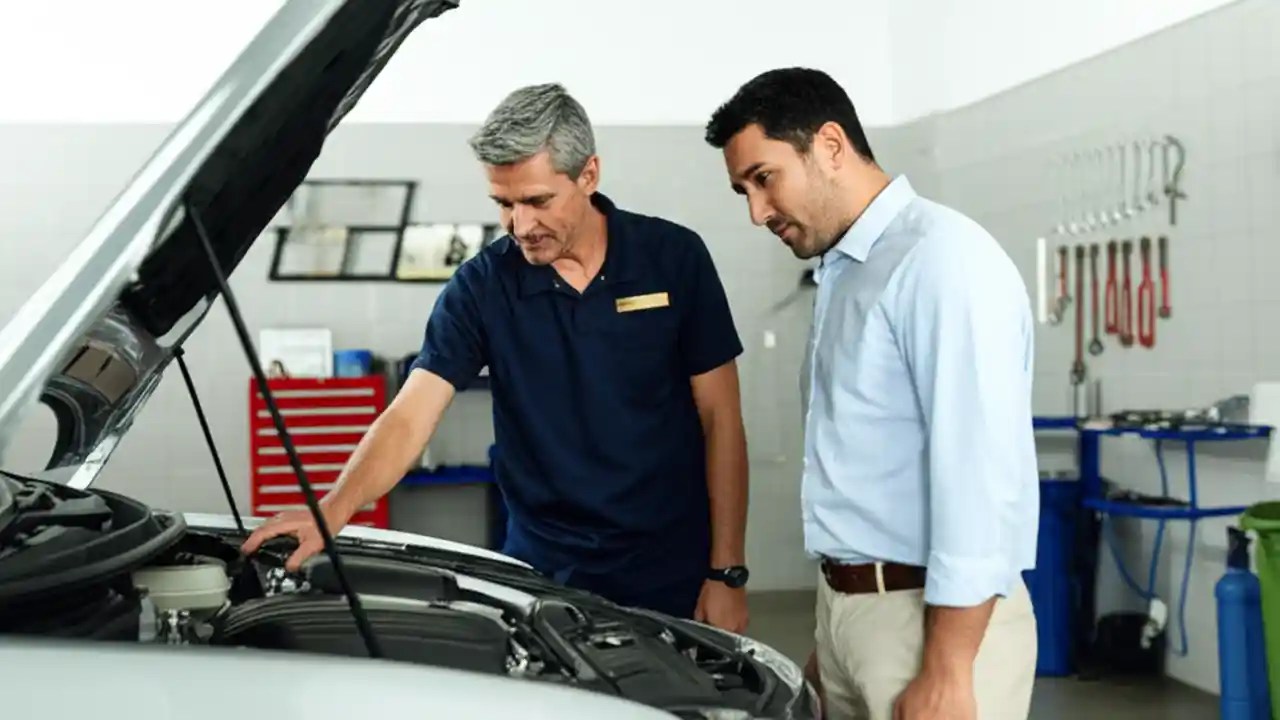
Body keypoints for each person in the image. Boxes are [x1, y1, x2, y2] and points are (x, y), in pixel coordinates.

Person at [242, 82, 751, 632]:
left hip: (671, 566)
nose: (520, 225)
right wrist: (335, 508)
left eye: (537, 201)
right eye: (503, 204)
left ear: (589, 175)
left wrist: (726, 572)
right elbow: (411, 413)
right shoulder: (482, 287)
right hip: (545, 571)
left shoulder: (674, 259)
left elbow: (721, 419)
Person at [703, 68, 1039, 720]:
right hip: (856, 614)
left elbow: (979, 478)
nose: (757, 212)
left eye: (764, 179)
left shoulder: (941, 260)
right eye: (742, 190)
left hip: (935, 625)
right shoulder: (846, 272)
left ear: (829, 144)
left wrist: (946, 666)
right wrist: (835, 638)